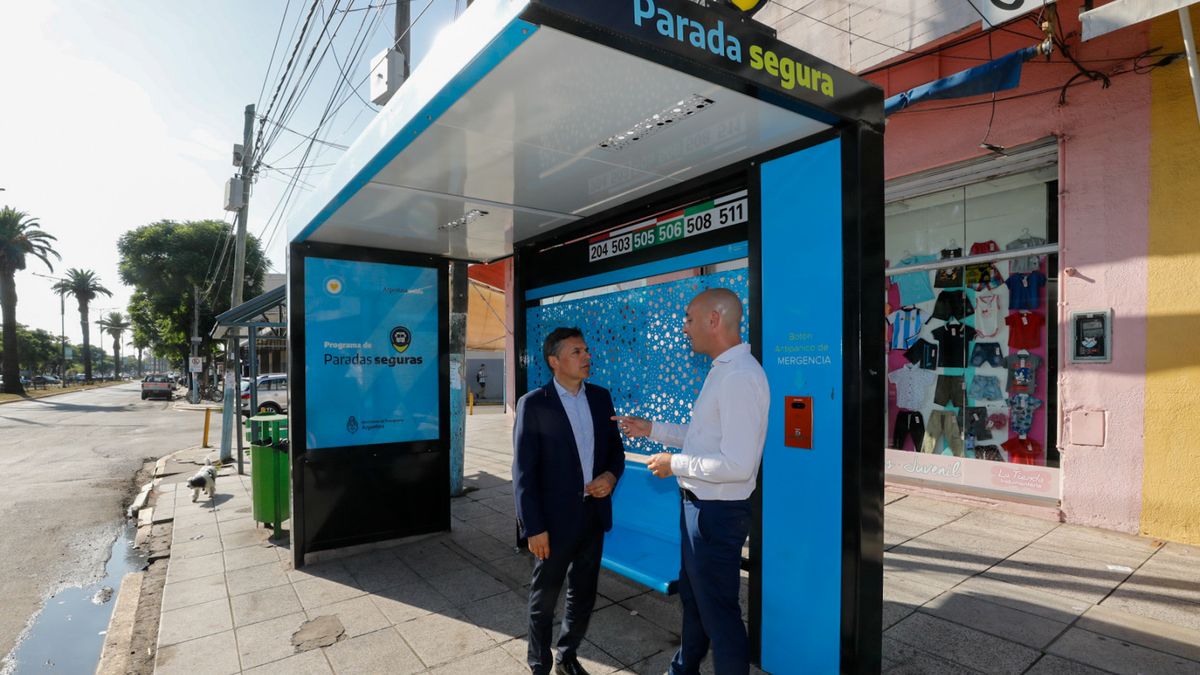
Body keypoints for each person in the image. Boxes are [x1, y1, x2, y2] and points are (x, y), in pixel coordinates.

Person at [612, 288, 769, 675]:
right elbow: (703, 438)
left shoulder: (738, 377)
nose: (684, 328)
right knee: (696, 602)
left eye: (688, 319)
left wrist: (675, 464)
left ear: (714, 320)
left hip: (716, 515)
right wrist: (652, 429)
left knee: (720, 616)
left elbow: (738, 464)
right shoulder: (723, 371)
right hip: (700, 511)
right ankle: (684, 669)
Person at [513, 327, 626, 675]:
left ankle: (567, 655)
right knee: (544, 597)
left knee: (584, 592)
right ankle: (539, 664)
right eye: (577, 352)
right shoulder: (533, 404)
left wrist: (610, 476)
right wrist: (533, 527)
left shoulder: (601, 397)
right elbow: (523, 473)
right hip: (553, 522)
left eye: (586, 350)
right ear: (554, 360)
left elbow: (615, 452)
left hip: (592, 516)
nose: (586, 357)